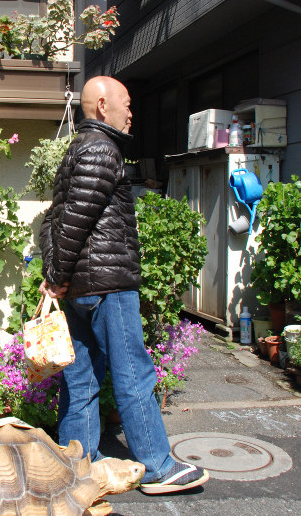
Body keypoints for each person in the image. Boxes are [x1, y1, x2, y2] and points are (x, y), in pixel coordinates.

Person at [39, 75, 208, 494]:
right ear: (101, 105)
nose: (131, 112)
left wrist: (55, 276)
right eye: (126, 103)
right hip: (108, 285)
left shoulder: (77, 149)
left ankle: (78, 470)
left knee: (81, 381)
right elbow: (74, 219)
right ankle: (156, 466)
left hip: (81, 287)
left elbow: (52, 221)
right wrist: (57, 277)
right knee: (132, 372)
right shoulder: (101, 148)